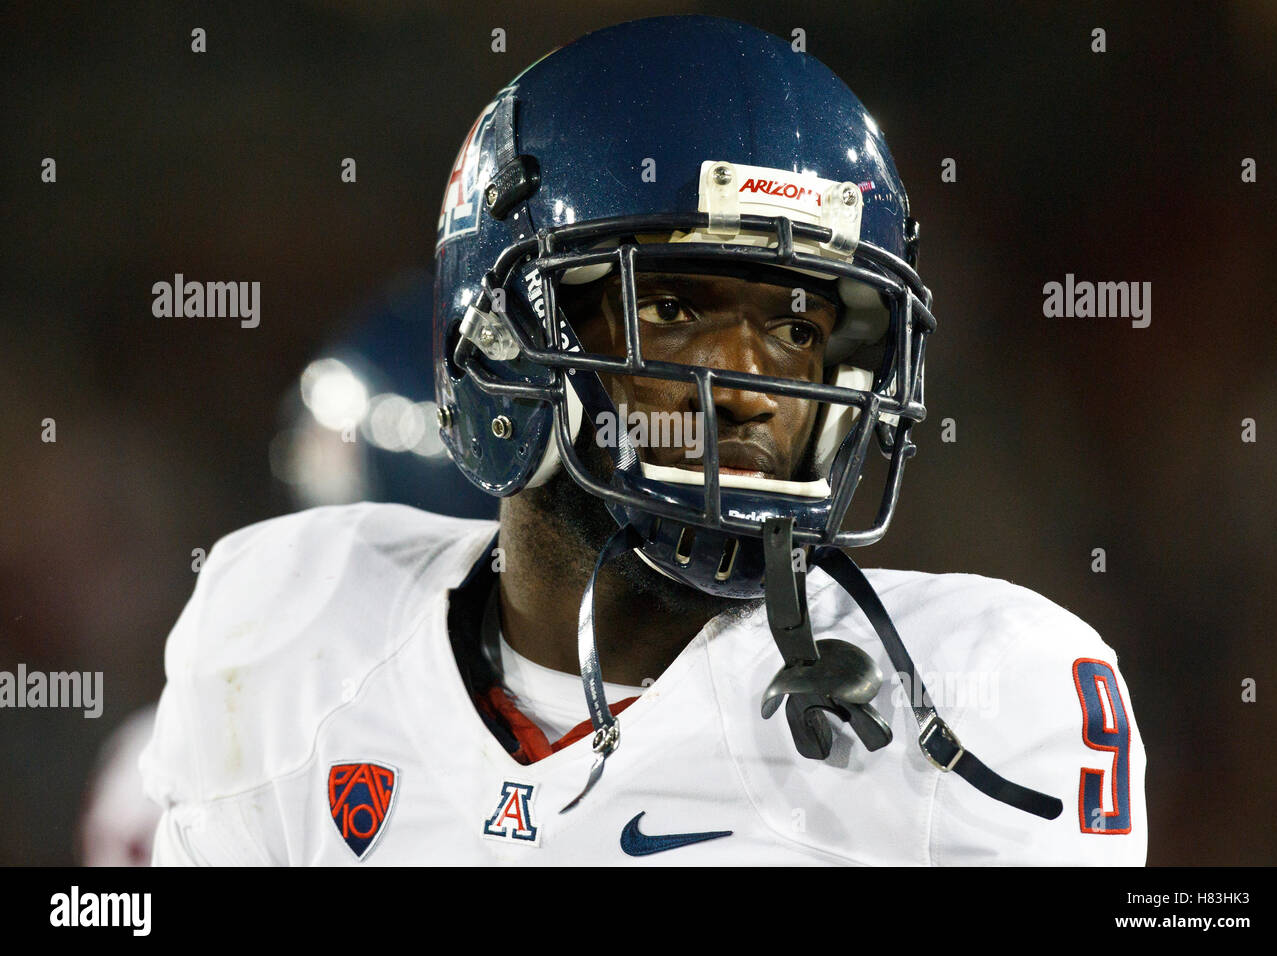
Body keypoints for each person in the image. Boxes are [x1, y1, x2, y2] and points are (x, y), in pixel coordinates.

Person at [141, 15, 1146, 865]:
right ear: (500, 337)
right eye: (672, 306)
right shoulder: (289, 638)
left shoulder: (981, 699)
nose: (753, 390)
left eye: (799, 330)